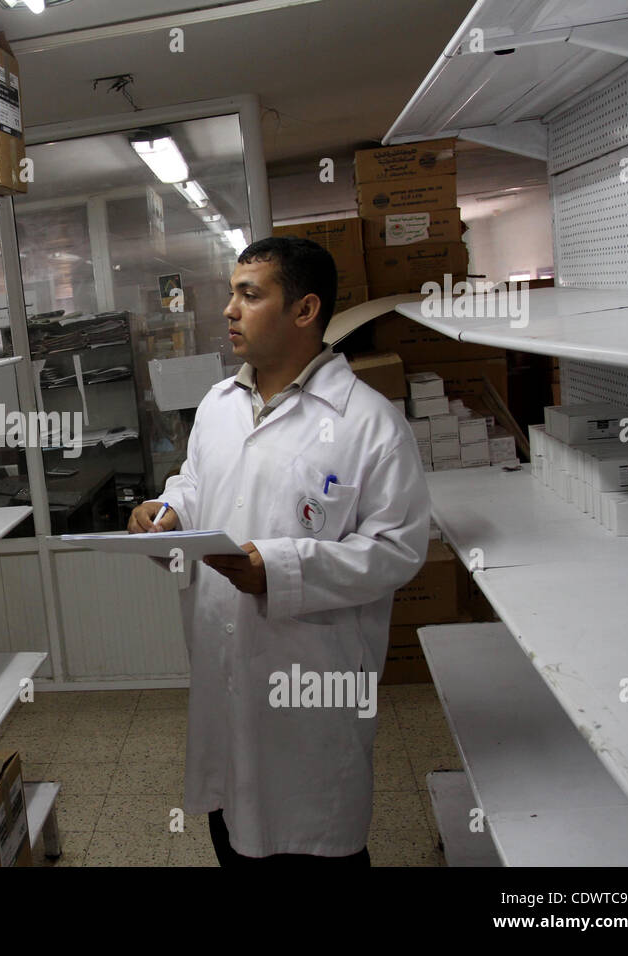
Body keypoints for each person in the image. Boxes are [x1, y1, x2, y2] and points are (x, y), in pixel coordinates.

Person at [128, 236, 430, 866]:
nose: (230, 311)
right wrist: (171, 511)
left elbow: (397, 549)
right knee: (232, 829)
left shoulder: (369, 424)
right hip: (224, 662)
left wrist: (282, 570)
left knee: (313, 837)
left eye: (250, 294)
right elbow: (195, 480)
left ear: (304, 310)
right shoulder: (218, 405)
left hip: (312, 682)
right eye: (232, 293)